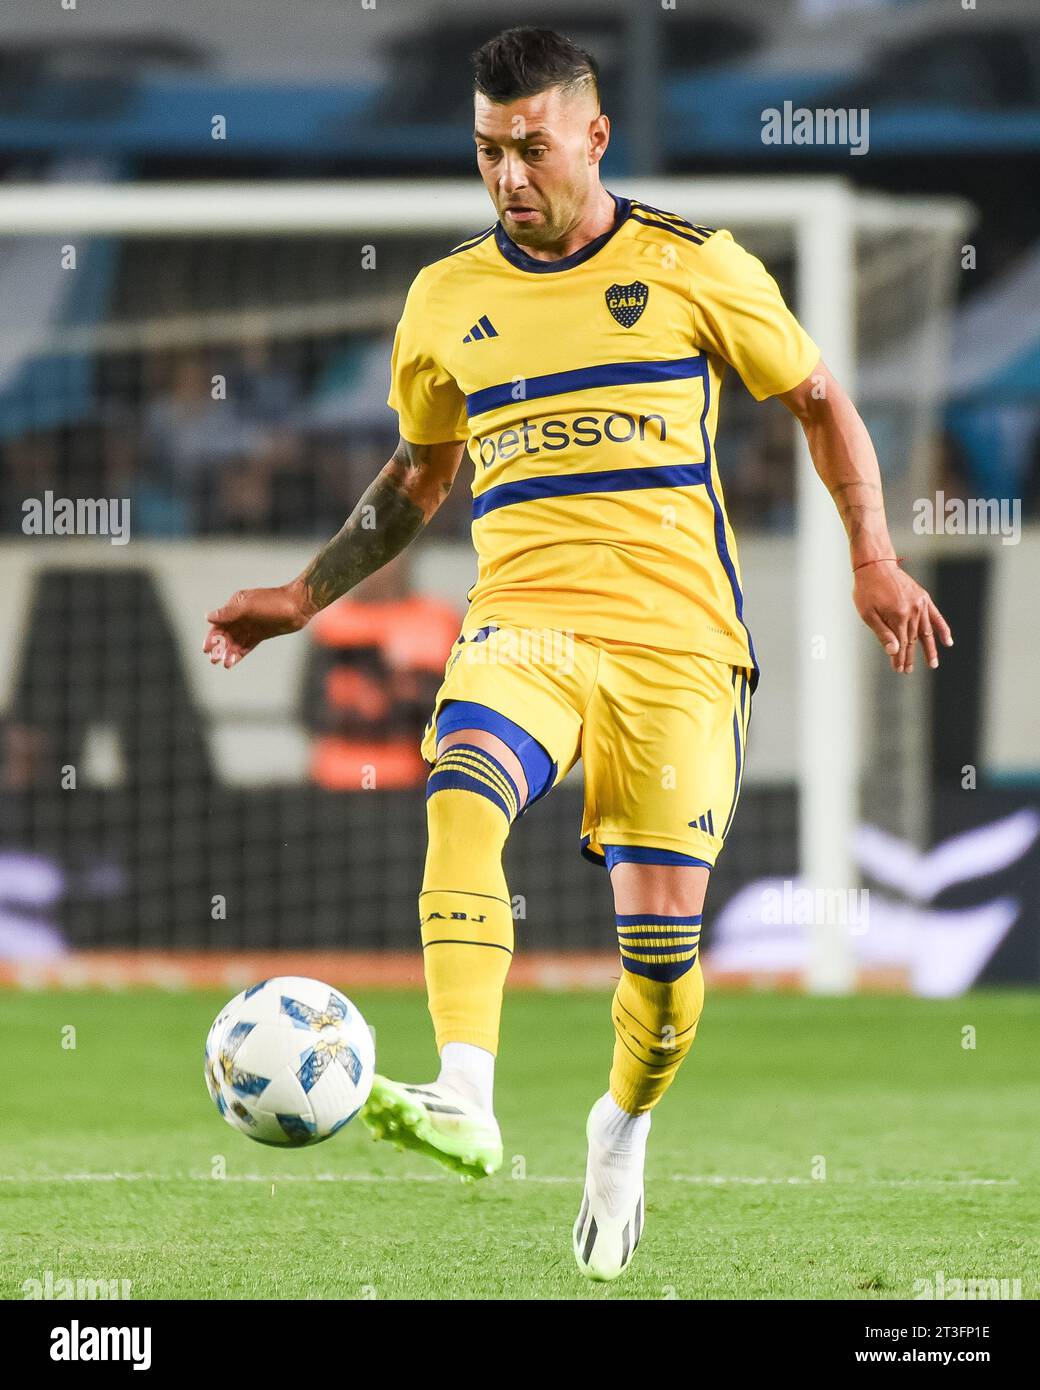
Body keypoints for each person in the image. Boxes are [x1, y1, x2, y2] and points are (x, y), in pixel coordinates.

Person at [203, 26, 952, 1282]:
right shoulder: (444, 298)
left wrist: (871, 558)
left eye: (530, 148)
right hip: (523, 625)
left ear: (591, 138)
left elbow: (822, 403)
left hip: (678, 646)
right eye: (487, 150)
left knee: (658, 971)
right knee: (459, 785)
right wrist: (302, 591)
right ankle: (463, 1089)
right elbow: (415, 477)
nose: (507, 176)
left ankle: (620, 1127)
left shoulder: (693, 267)